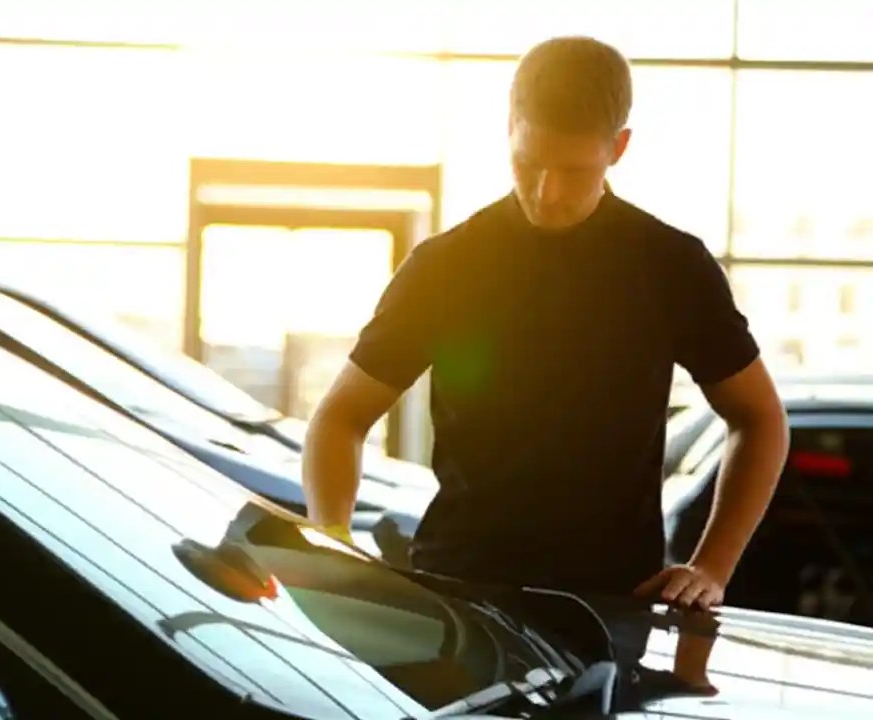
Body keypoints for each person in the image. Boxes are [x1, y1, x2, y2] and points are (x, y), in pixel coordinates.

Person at [301, 35, 790, 610]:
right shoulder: (445, 266)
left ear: (619, 147)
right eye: (529, 163)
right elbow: (341, 418)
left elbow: (759, 419)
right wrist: (332, 539)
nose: (547, 193)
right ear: (509, 126)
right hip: (460, 592)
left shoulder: (671, 266)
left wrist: (712, 567)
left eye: (573, 170)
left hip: (613, 604)